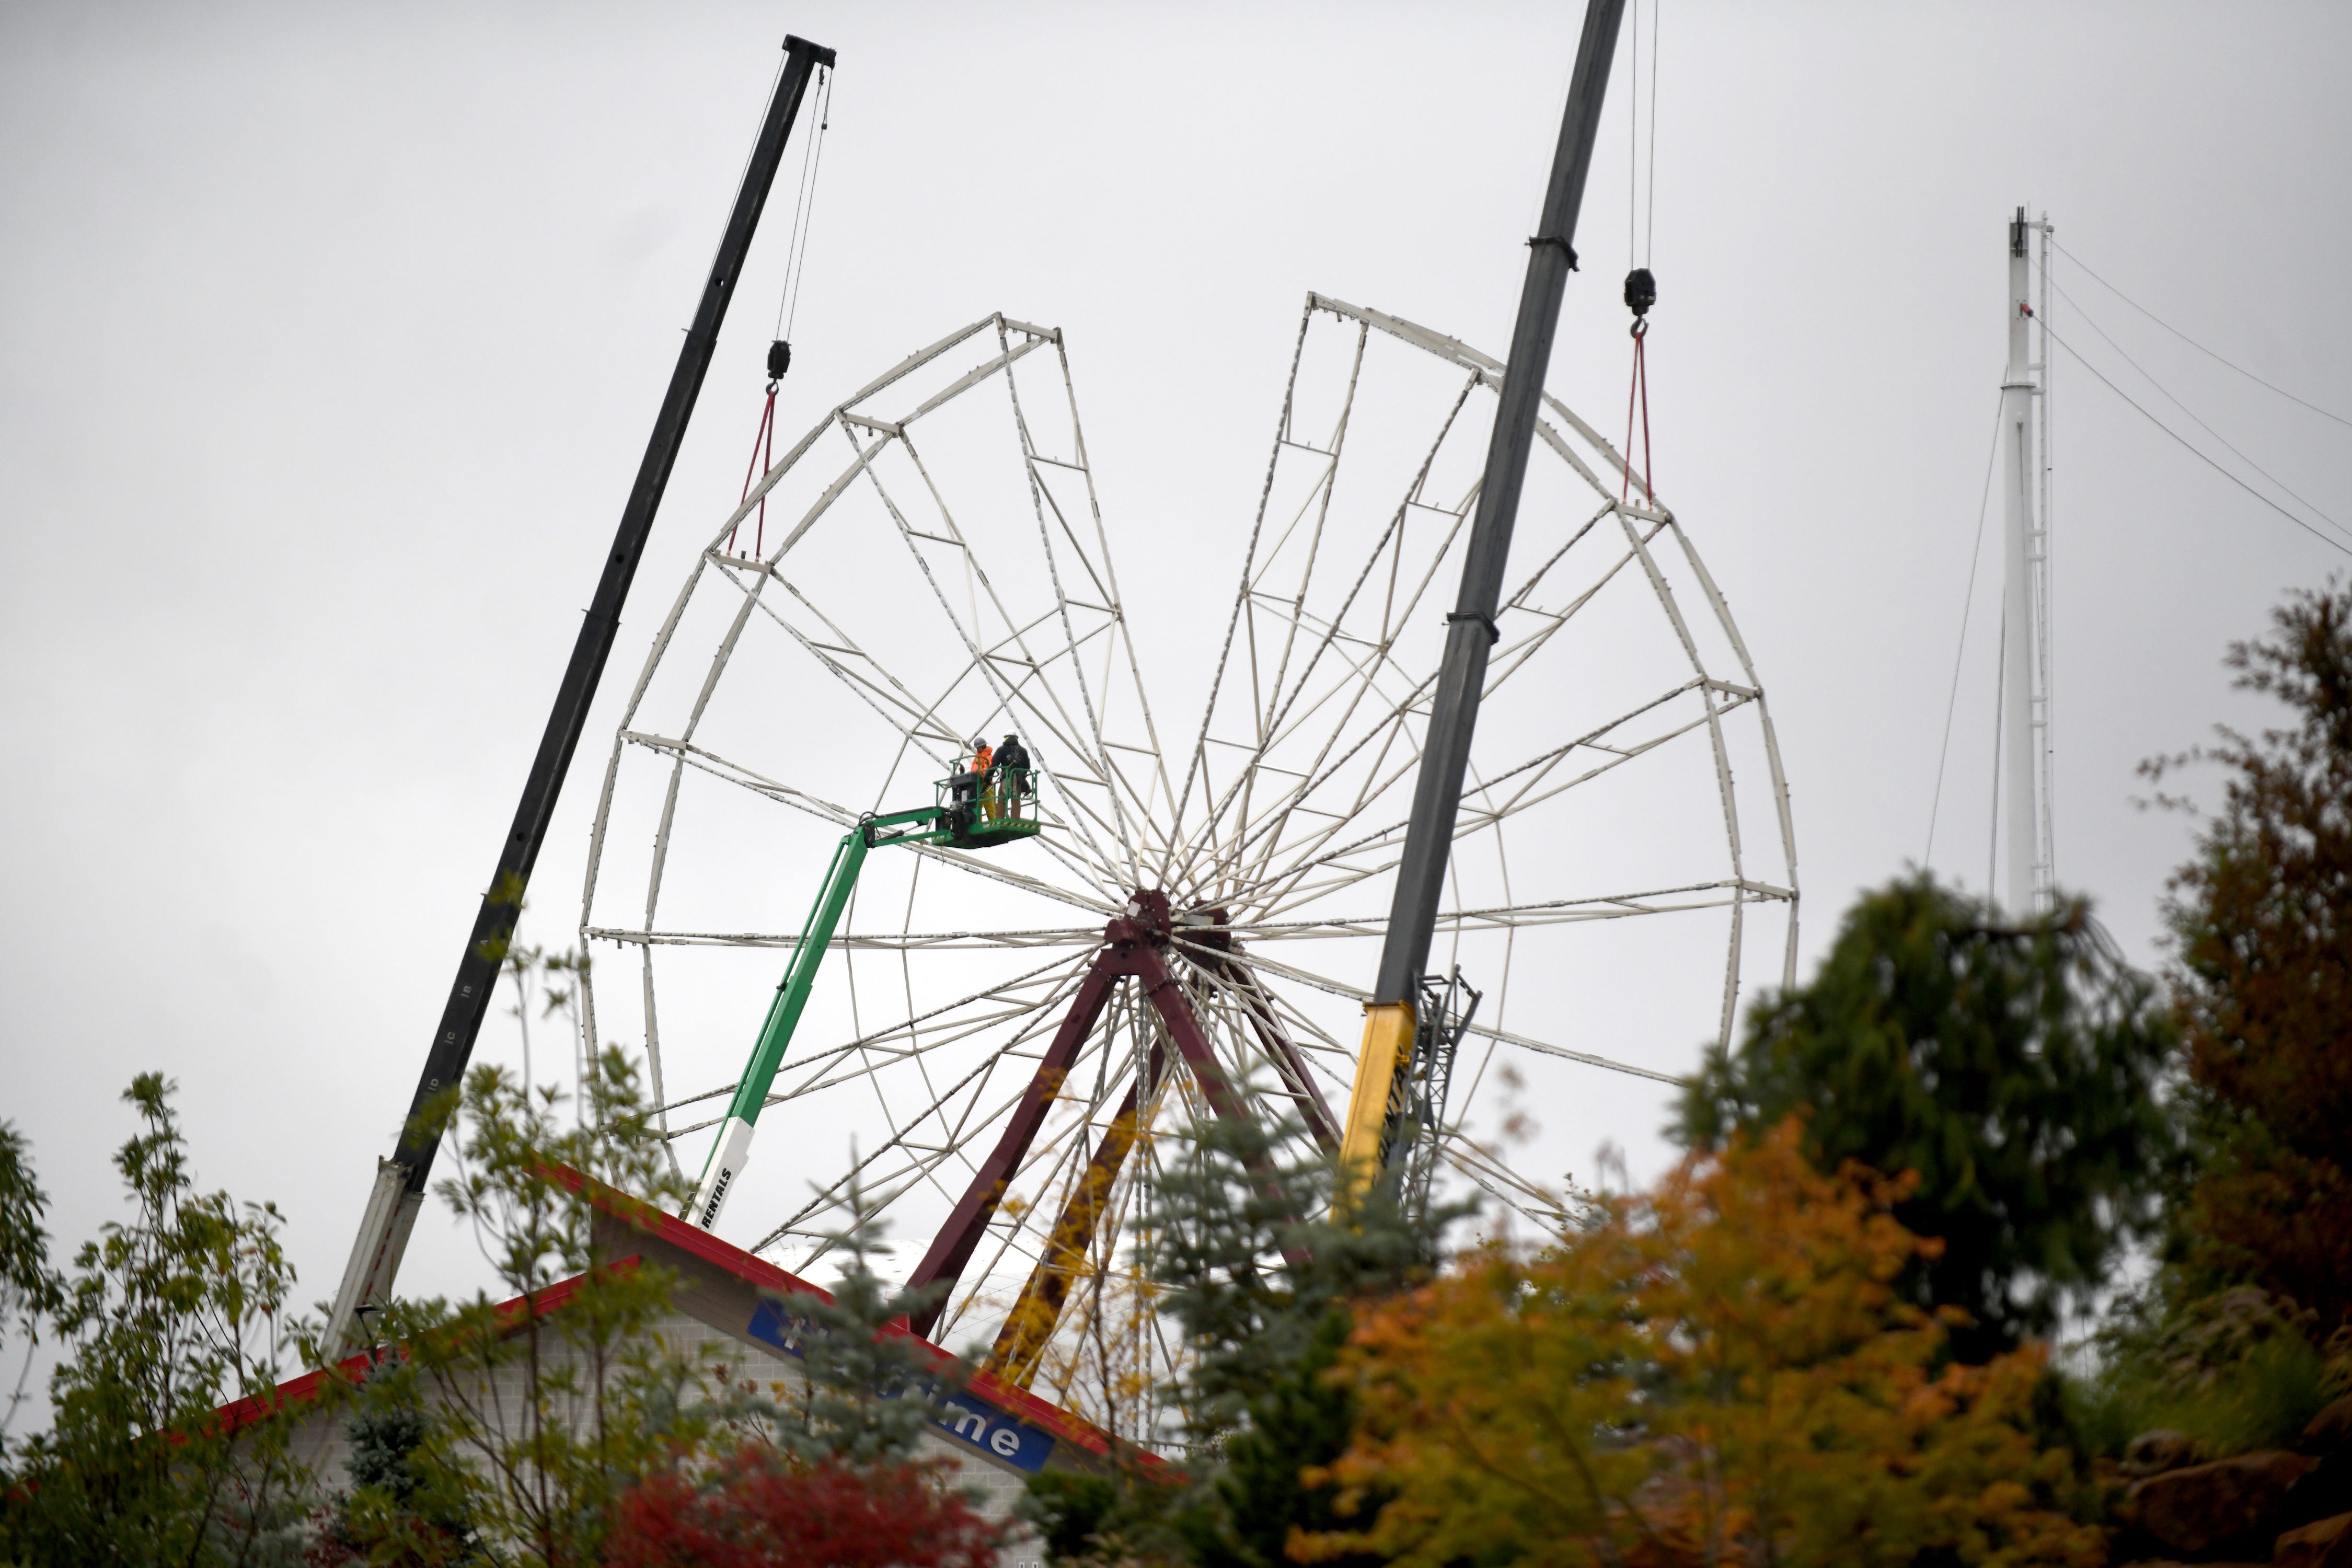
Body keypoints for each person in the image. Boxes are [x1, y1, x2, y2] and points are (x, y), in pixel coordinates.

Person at [994, 733, 1031, 823]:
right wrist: (1023, 774)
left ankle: (999, 820)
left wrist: (988, 778)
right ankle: (1015, 820)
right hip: (1019, 780)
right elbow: (1028, 766)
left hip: (1006, 778)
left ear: (1006, 737)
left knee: (1002, 799)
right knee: (1016, 800)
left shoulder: (1001, 750)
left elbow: (994, 764)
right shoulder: (1023, 751)